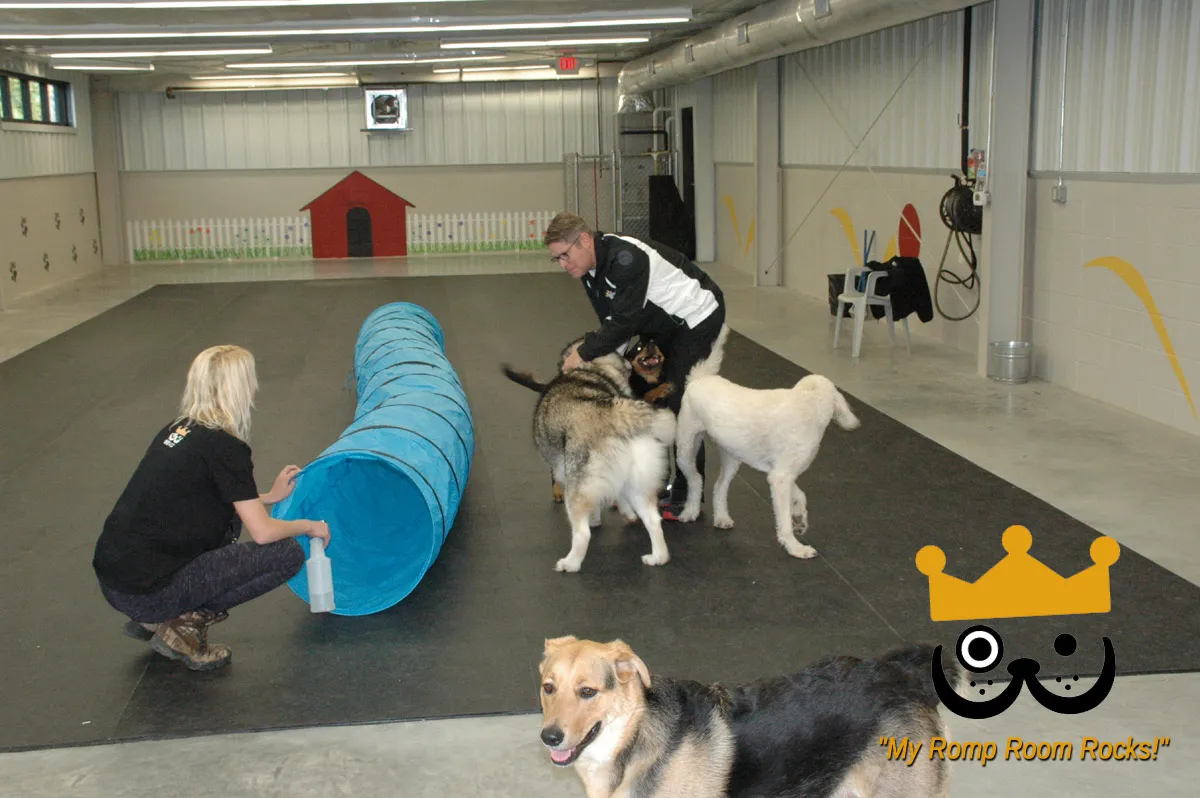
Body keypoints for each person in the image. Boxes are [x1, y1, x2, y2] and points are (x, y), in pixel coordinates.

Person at [92, 344, 330, 672]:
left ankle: (154, 617)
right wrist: (309, 525)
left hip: (115, 580)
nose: (256, 388)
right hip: (146, 593)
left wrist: (269, 497)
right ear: (235, 388)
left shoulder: (179, 429)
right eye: (250, 380)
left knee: (229, 517)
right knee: (286, 554)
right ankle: (181, 626)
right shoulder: (226, 447)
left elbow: (198, 494)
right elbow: (262, 533)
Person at [544, 211, 725, 520]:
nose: (563, 264)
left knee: (681, 400)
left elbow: (623, 323)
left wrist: (584, 354)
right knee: (647, 398)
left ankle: (687, 493)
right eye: (556, 259)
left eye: (564, 255)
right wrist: (592, 372)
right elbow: (610, 323)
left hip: (697, 318)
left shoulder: (627, 258)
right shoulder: (589, 269)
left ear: (584, 240)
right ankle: (653, 486)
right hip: (661, 323)